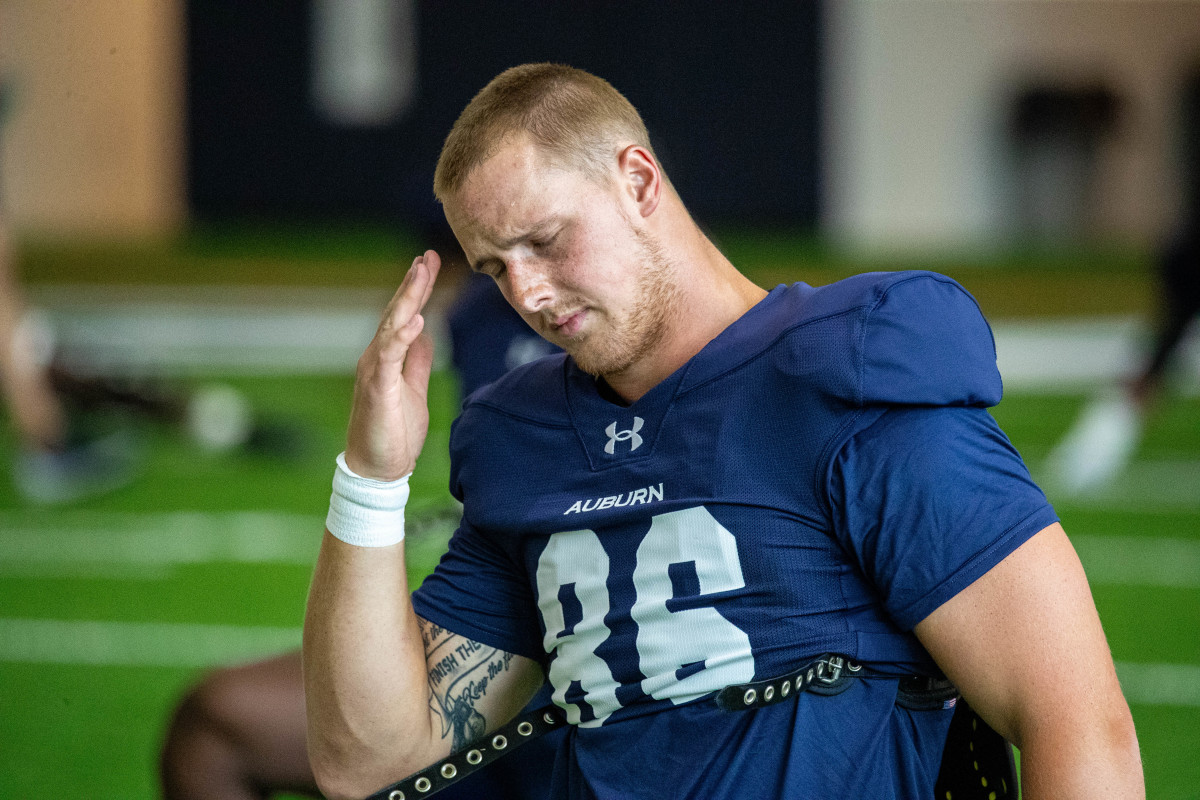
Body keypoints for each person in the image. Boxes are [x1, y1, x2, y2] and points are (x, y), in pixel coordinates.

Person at [303, 63, 1143, 800]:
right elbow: (368, 762)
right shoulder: (524, 440)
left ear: (638, 182)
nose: (526, 294)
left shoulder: (842, 377)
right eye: (494, 268)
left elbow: (1077, 724)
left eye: (545, 241)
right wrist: (372, 478)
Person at [159, 269, 560, 800]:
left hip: (605, 690)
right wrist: (372, 481)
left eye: (541, 238)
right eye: (492, 257)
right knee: (215, 727)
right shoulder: (481, 314)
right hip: (497, 645)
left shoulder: (653, 340)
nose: (521, 278)